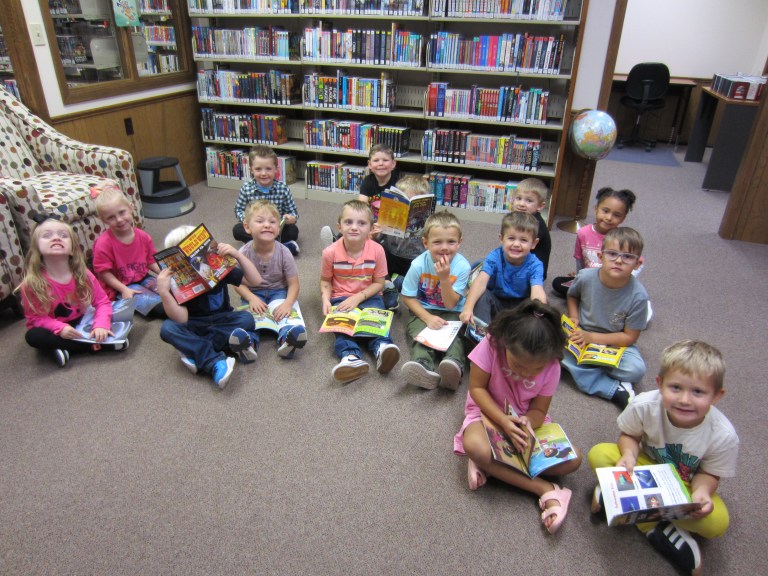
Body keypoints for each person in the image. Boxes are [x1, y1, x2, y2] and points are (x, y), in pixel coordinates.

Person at [588, 340, 738, 576]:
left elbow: (710, 473)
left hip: (683, 485)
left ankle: (621, 498)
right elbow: (629, 436)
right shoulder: (644, 404)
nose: (685, 400)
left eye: (698, 392)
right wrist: (628, 454)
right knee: (598, 453)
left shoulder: (723, 434)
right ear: (660, 384)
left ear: (717, 395)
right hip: (643, 467)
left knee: (717, 522)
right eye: (676, 388)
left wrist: (702, 493)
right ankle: (654, 523)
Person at [453, 301, 582, 534]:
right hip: (487, 414)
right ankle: (543, 488)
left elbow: (539, 411)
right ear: (506, 343)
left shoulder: (553, 366)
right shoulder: (492, 344)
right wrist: (502, 421)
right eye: (518, 365)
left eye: (534, 370)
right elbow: (477, 390)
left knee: (574, 460)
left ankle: (492, 466)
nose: (524, 373)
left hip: (524, 422)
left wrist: (527, 424)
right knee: (475, 446)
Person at [157, 225, 262, 389]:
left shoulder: (217, 268)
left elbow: (255, 280)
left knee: (247, 318)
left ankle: (196, 350)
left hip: (223, 320)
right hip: (195, 325)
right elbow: (181, 318)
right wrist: (164, 292)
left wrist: (237, 255)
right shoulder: (175, 283)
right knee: (168, 328)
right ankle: (215, 361)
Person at [20, 216, 128, 367]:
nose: (56, 238)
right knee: (34, 336)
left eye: (63, 236)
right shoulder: (32, 283)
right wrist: (60, 328)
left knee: (118, 313)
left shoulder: (83, 274)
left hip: (82, 319)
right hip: (53, 327)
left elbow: (102, 302)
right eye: (47, 235)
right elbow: (35, 319)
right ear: (37, 248)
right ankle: (94, 345)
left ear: (72, 249)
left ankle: (65, 348)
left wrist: (101, 325)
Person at [561, 227, 649, 408]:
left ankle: (589, 371)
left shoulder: (639, 296)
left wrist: (592, 338)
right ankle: (613, 388)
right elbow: (572, 295)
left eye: (627, 256)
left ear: (637, 264)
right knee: (553, 347)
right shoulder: (585, 277)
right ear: (600, 257)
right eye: (612, 254)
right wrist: (574, 316)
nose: (618, 260)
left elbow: (629, 337)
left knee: (636, 369)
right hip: (582, 334)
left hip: (615, 342)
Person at [320, 199, 401, 384]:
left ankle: (382, 348)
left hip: (369, 294)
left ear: (371, 228)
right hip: (340, 296)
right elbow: (325, 280)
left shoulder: (378, 250)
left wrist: (358, 297)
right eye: (349, 222)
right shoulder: (330, 253)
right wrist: (325, 299)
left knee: (374, 324)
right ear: (339, 226)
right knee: (343, 329)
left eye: (362, 223)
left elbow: (380, 283)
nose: (354, 227)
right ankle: (350, 358)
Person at [399, 210, 471, 390]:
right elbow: (407, 297)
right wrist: (427, 318)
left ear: (459, 242)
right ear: (425, 243)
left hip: (452, 311)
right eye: (437, 242)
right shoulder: (418, 264)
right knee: (422, 338)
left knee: (457, 339)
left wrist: (445, 279)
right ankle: (422, 366)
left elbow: (450, 304)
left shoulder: (462, 266)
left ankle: (452, 366)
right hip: (423, 310)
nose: (445, 247)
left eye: (451, 242)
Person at [234, 199, 307, 359]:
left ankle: (288, 341)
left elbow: (294, 284)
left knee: (285, 316)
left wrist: (288, 303)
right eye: (260, 221)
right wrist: (251, 298)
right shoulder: (243, 253)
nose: (267, 225)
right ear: (247, 227)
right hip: (253, 293)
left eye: (272, 222)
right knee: (247, 320)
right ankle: (247, 346)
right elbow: (237, 283)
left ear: (278, 227)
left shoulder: (284, 252)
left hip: (278, 291)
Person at [459, 211, 546, 328]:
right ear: (501, 239)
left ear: (534, 243)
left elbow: (537, 291)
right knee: (480, 295)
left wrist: (538, 314)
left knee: (540, 306)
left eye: (523, 240)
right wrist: (467, 308)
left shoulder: (535, 264)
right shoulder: (494, 256)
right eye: (511, 238)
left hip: (520, 308)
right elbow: (480, 282)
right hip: (496, 303)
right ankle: (481, 336)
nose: (516, 244)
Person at [91, 183, 164, 317]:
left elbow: (150, 261)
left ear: (131, 207)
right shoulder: (103, 244)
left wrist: (164, 273)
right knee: (158, 307)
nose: (119, 220)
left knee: (173, 292)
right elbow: (104, 274)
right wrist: (123, 289)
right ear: (103, 220)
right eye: (111, 217)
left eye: (122, 212)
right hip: (119, 286)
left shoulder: (143, 236)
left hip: (143, 277)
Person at [552, 187, 636, 297]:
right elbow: (579, 259)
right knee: (558, 283)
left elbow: (635, 263)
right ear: (596, 209)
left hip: (610, 283)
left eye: (616, 215)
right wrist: (579, 275)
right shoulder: (583, 233)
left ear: (623, 218)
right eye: (605, 211)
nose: (609, 218)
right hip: (588, 279)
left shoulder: (623, 238)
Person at [319, 143, 402, 248]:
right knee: (355, 220)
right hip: (370, 219)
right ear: (370, 164)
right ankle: (337, 242)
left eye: (385, 160)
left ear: (393, 164)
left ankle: (360, 244)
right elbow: (361, 206)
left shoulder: (398, 183)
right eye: (376, 160)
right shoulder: (368, 181)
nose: (381, 163)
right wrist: (366, 222)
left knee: (382, 239)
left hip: (389, 223)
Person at [371, 175, 431, 311]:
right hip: (391, 257)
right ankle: (388, 286)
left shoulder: (428, 220)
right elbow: (377, 239)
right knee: (376, 249)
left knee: (424, 273)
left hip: (415, 261)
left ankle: (400, 282)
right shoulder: (388, 214)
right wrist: (375, 234)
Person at [232, 144, 300, 256]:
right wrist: (247, 219)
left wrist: (290, 218)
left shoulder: (283, 189)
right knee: (237, 230)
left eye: (268, 169)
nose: (263, 173)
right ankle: (282, 248)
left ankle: (254, 247)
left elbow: (294, 213)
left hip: (275, 228)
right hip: (256, 228)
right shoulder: (246, 188)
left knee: (293, 231)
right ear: (251, 170)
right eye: (258, 169)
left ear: (276, 170)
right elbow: (238, 209)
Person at [511, 177, 552, 279]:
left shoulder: (535, 225)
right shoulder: (522, 218)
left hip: (533, 273)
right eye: (518, 198)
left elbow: (518, 249)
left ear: (540, 206)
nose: (521, 204)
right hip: (521, 261)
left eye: (529, 201)